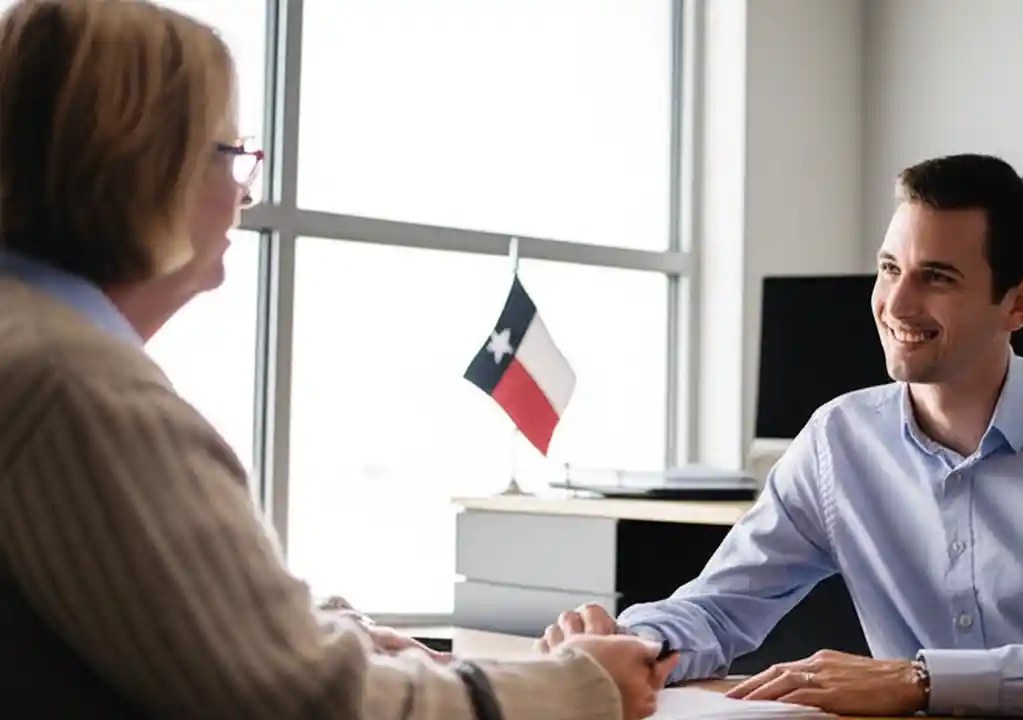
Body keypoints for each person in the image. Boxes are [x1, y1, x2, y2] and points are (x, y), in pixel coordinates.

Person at [0, 1, 677, 718]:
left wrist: (317, 632)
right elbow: (309, 704)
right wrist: (581, 685)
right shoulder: (83, 389)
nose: (246, 195)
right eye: (232, 155)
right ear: (146, 165)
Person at [537, 154, 1023, 719]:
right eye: (890, 269)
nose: (898, 305)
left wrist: (919, 679)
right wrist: (629, 642)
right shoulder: (838, 441)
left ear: (1022, 302)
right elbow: (718, 610)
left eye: (937, 278)